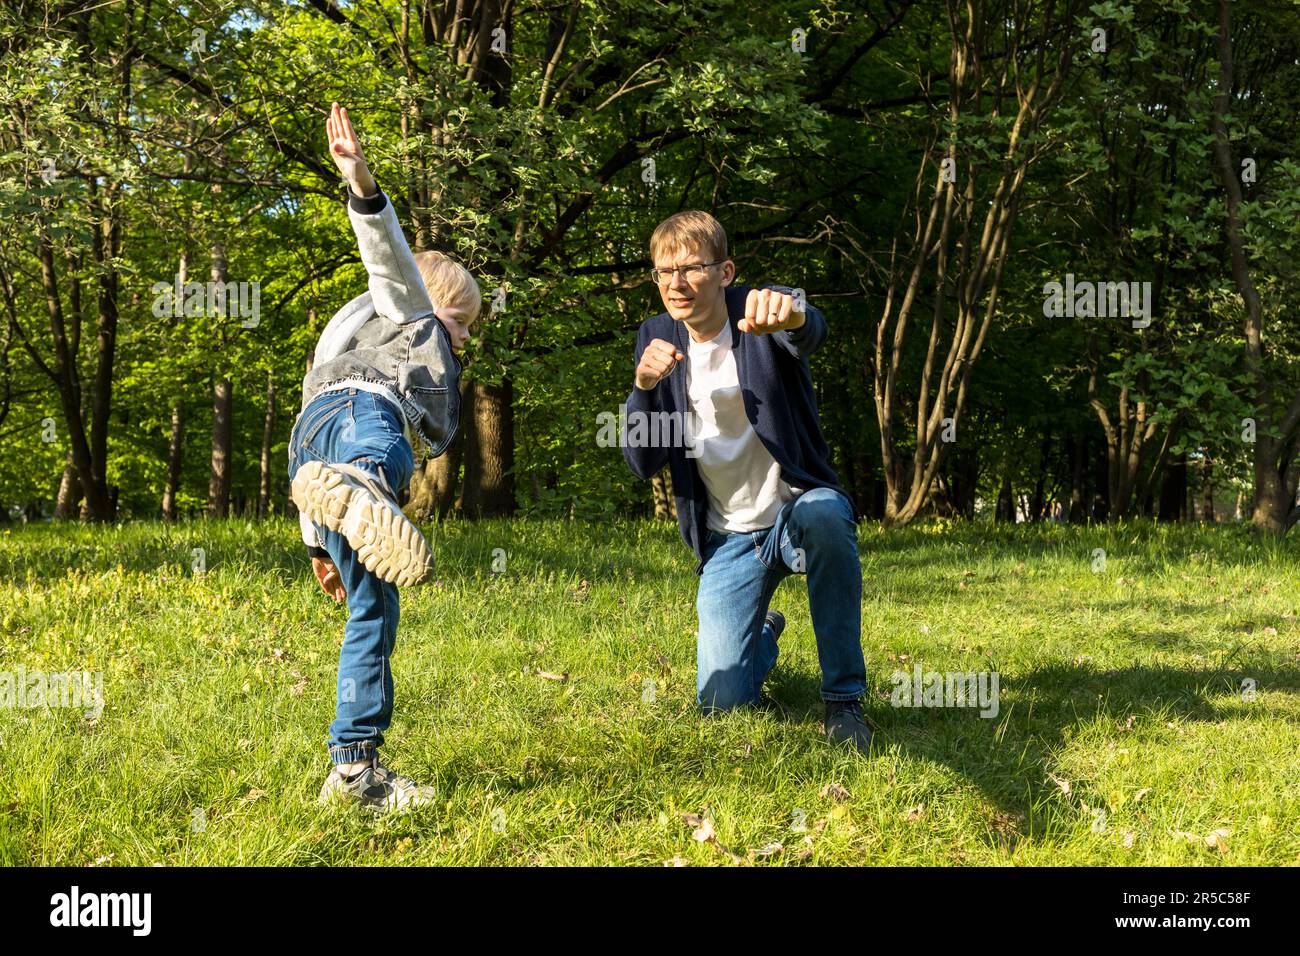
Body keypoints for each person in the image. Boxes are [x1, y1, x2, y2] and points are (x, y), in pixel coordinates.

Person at [621, 210, 873, 752]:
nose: (675, 283)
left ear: (726, 271)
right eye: (663, 272)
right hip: (726, 539)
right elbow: (643, 462)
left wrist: (795, 316)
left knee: (827, 515)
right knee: (722, 704)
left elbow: (808, 327)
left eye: (690, 268)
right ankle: (762, 631)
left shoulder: (758, 313)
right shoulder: (657, 335)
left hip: (793, 514)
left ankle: (844, 701)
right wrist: (642, 387)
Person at [287, 103, 479, 811]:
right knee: (379, 447)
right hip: (366, 424)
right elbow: (389, 260)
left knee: (375, 606)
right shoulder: (410, 311)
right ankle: (364, 485)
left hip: (316, 444)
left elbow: (306, 452)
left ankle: (353, 772)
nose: (462, 343)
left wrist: (318, 547)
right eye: (462, 325)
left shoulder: (327, 357)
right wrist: (362, 184)